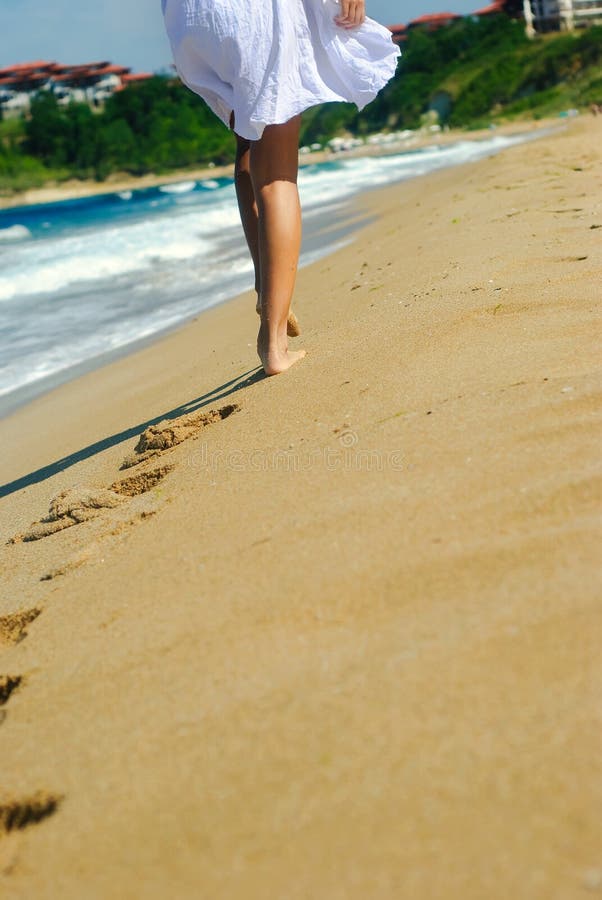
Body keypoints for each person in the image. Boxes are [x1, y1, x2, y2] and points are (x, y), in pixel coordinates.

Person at [162, 0, 400, 374]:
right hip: (255, 14)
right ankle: (273, 344)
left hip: (195, 19)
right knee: (277, 172)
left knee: (248, 141)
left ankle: (266, 287)